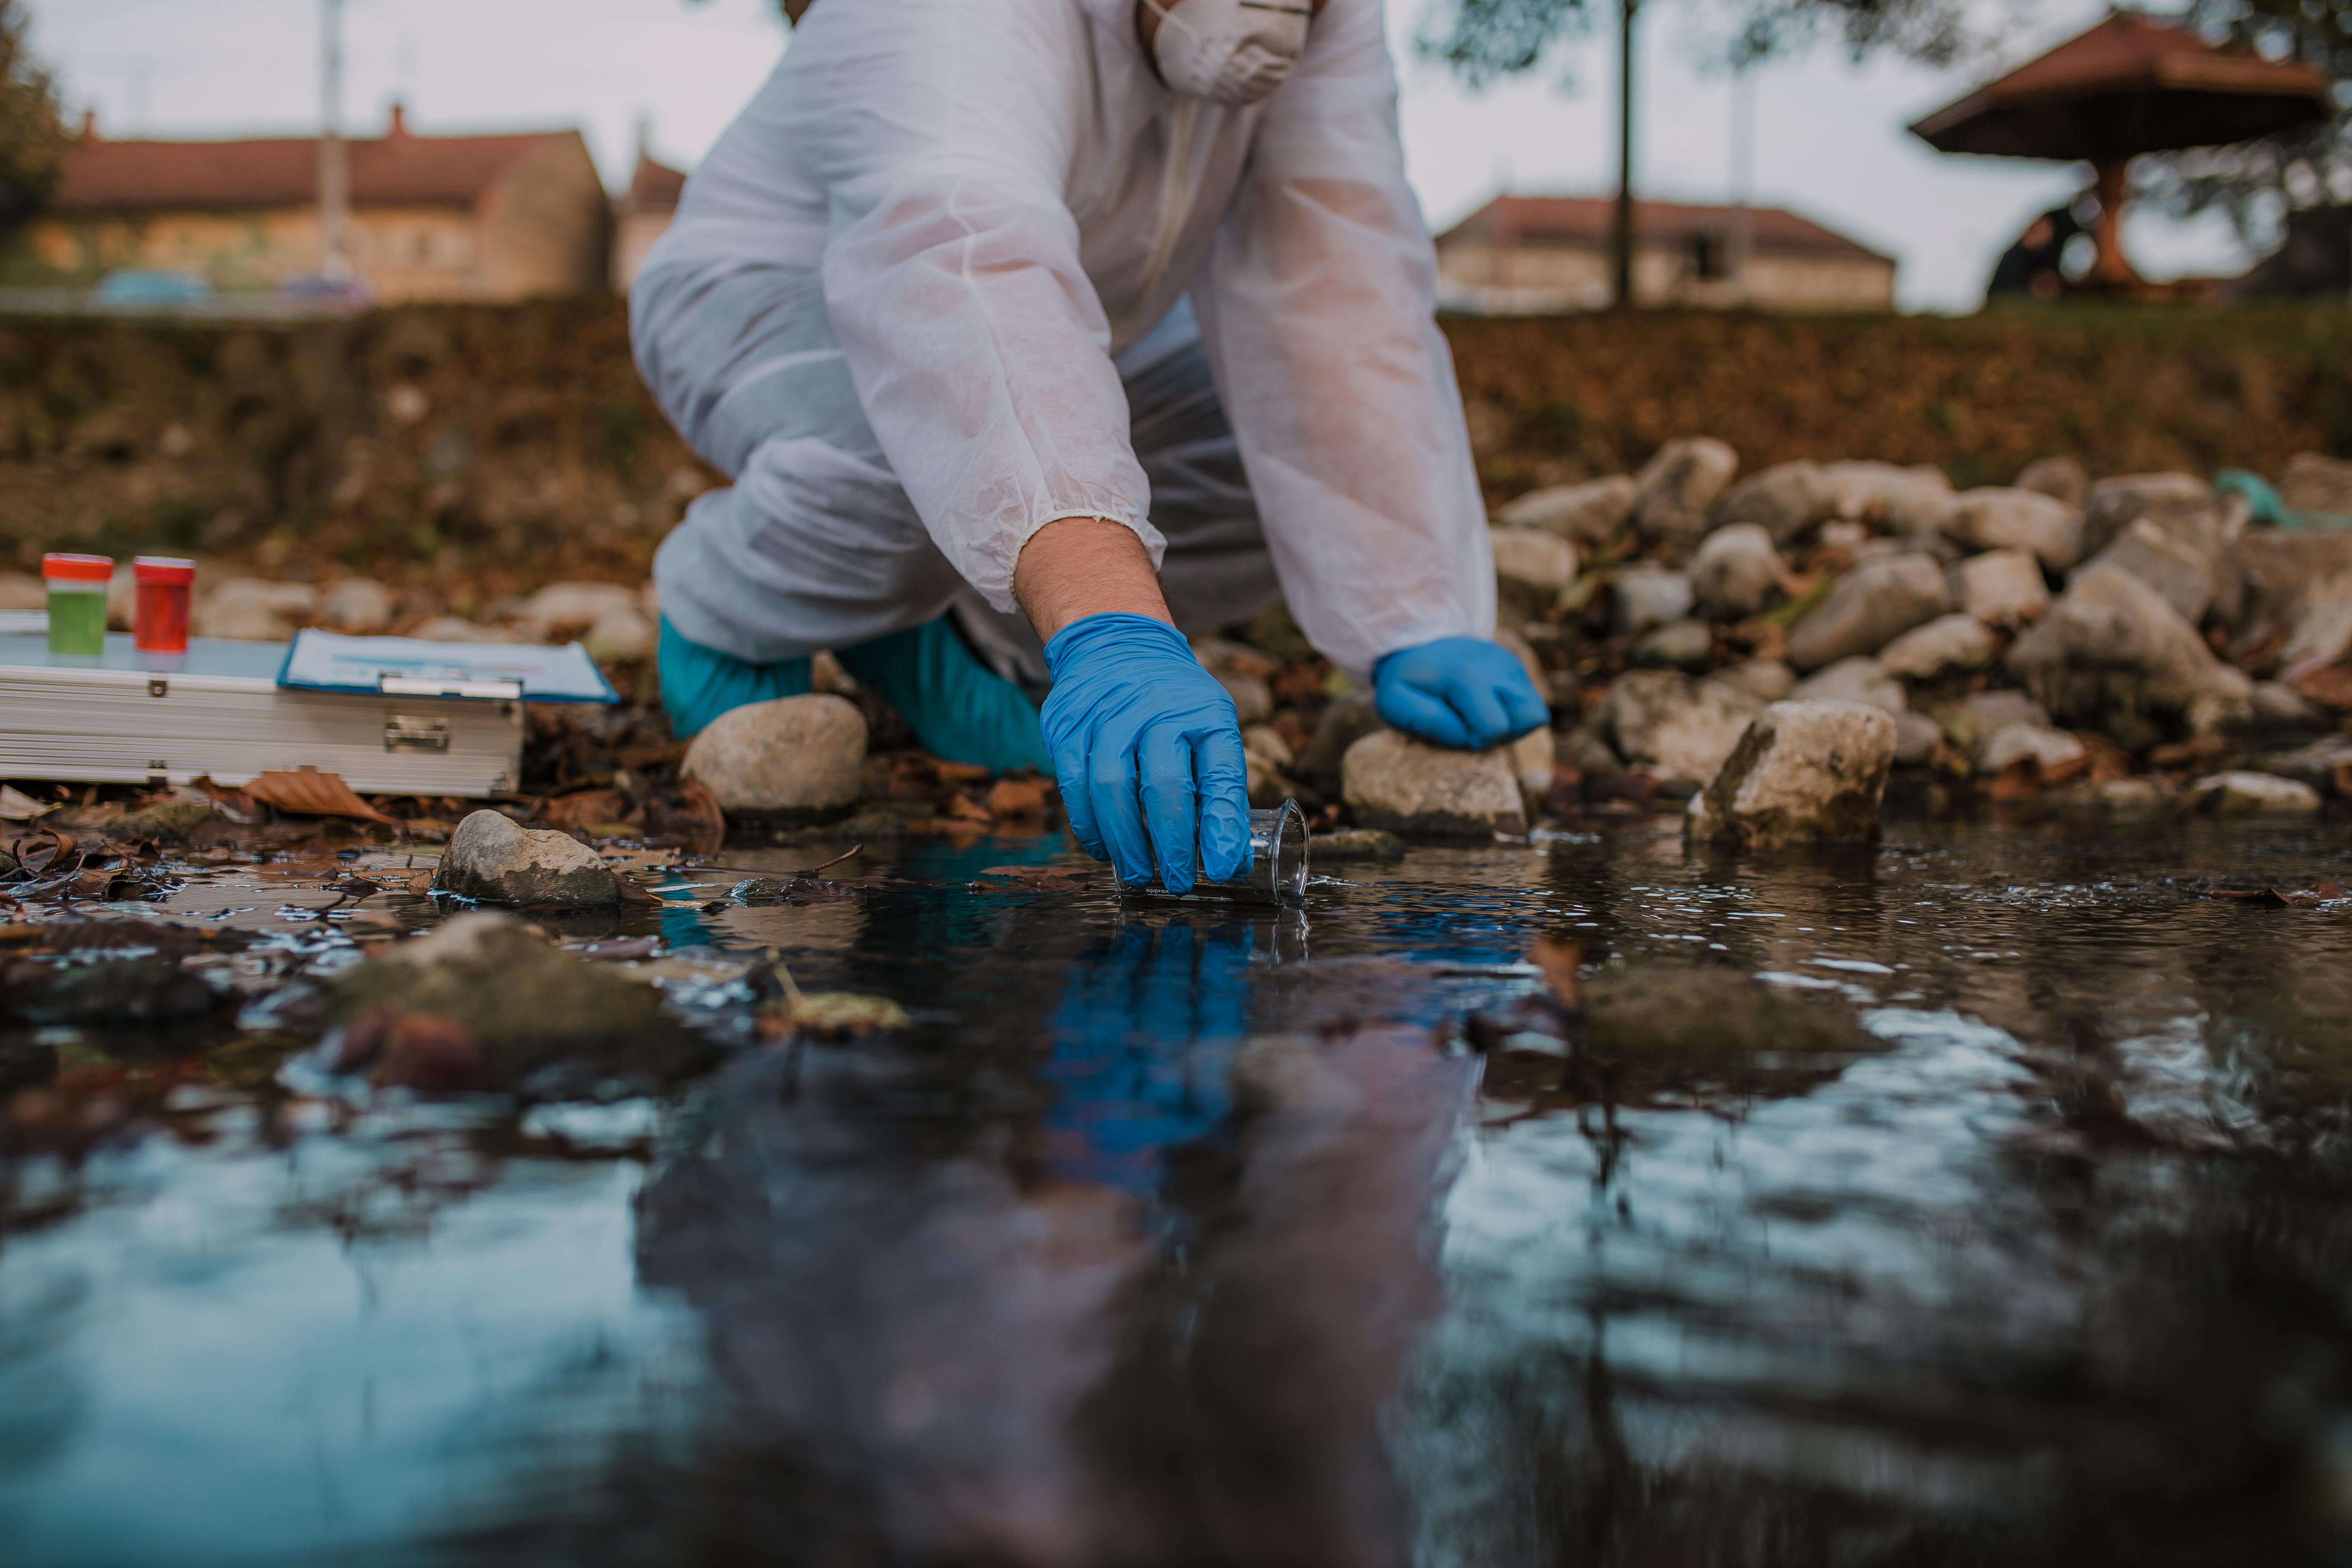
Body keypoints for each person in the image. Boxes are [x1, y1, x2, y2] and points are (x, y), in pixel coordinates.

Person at [632, 0, 1548, 896]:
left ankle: (957, 632)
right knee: (925, 457)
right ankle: (729, 612)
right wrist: (1112, 623)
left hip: (1083, 312)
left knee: (1268, 461)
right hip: (773, 298)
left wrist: (1410, 608)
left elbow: (1334, 281)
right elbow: (963, 277)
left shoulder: (1332, 20)